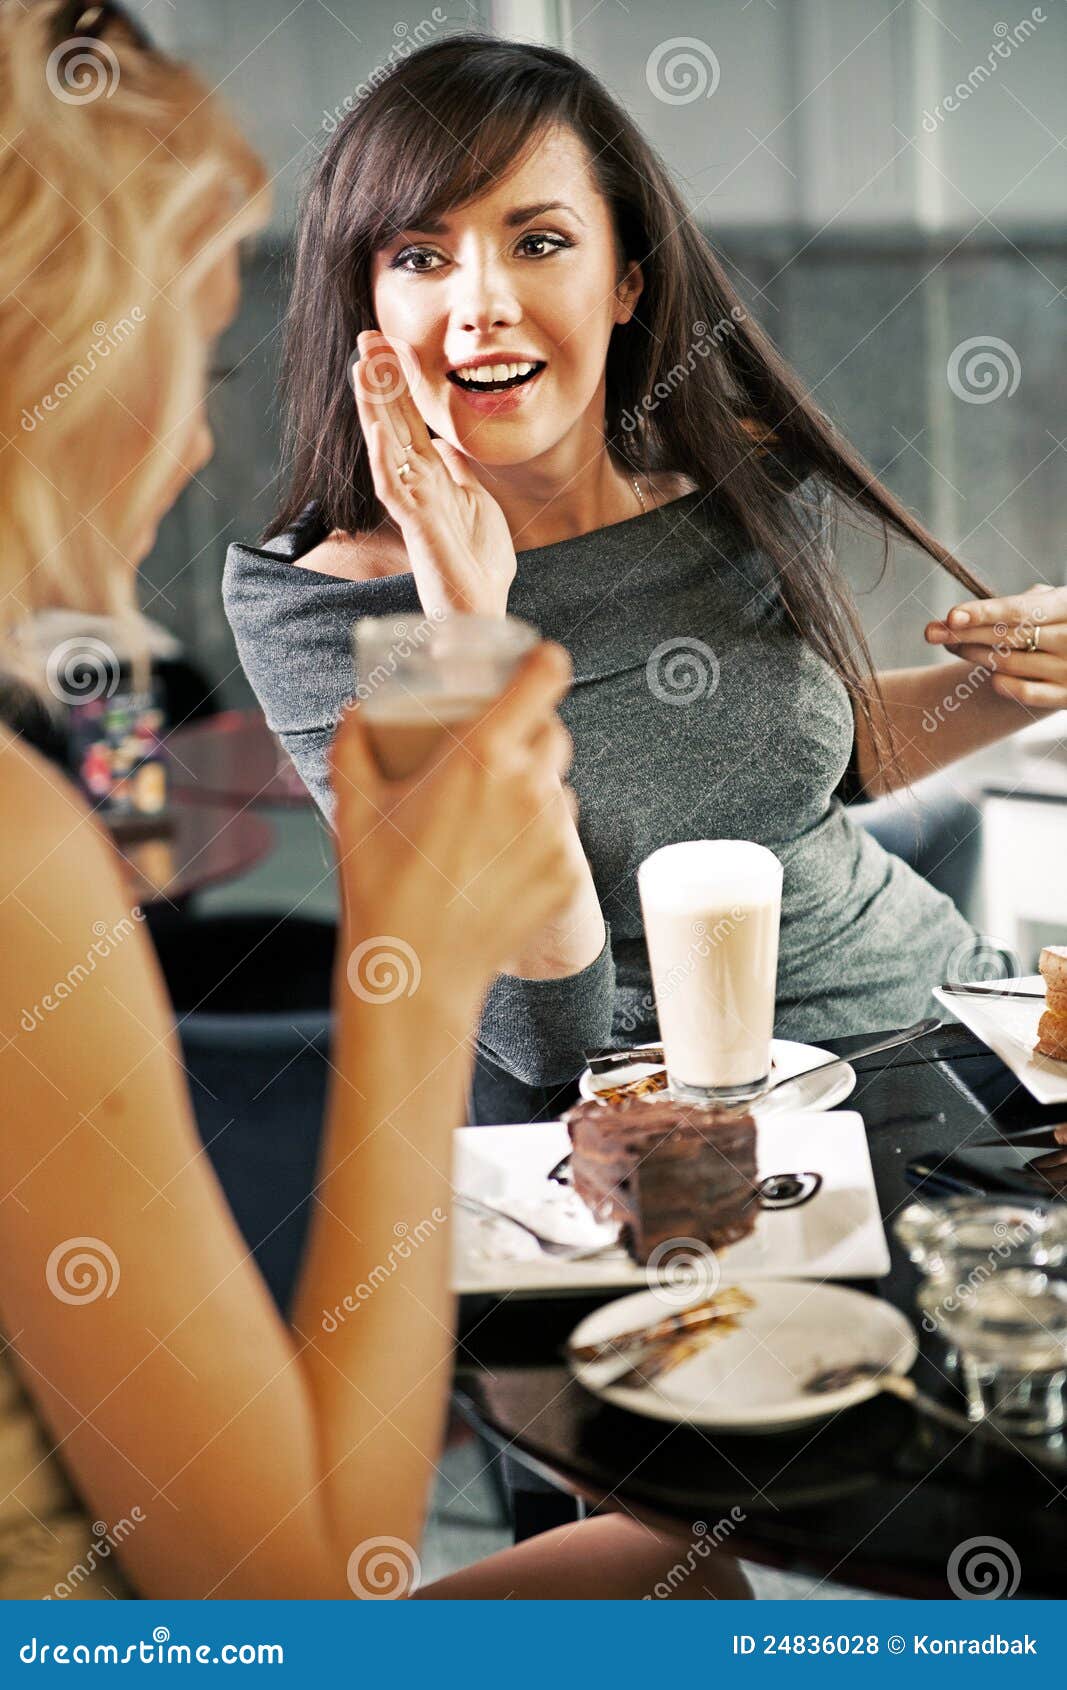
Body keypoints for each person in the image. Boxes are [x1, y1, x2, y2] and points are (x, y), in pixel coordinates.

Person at [0, 2, 750, 1601]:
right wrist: (403, 953)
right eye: (185, 350)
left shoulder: (116, 693)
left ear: (627, 287)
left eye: (533, 240)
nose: (199, 425)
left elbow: (165, 830)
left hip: (184, 1001)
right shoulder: (95, 756)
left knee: (694, 1568)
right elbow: (297, 1607)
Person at [224, 34, 1067, 1128]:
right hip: (680, 1133)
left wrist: (1011, 686)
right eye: (420, 256)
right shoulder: (322, 609)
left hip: (958, 1023)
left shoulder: (726, 480)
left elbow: (801, 755)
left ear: (625, 280)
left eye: (536, 240)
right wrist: (465, 621)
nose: (479, 302)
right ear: (367, 303)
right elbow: (543, 1032)